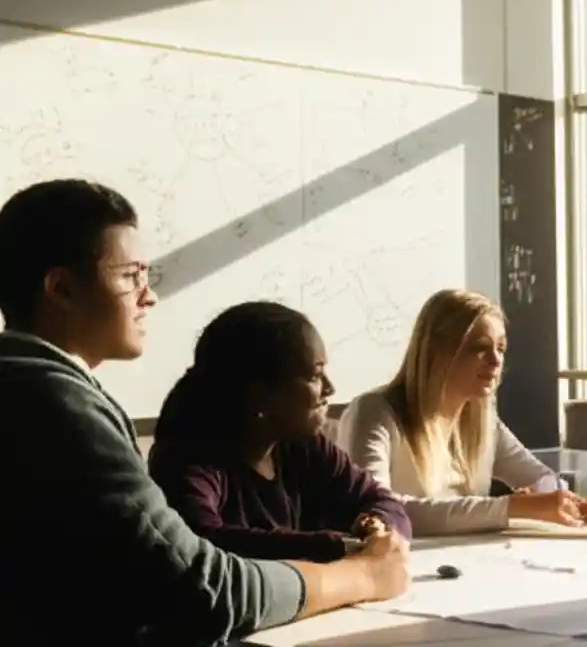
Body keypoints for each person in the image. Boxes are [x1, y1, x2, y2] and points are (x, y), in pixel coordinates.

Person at [0, 180, 408, 645]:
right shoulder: (54, 405)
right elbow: (202, 587)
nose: (149, 296)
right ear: (61, 289)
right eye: (130, 276)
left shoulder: (34, 387)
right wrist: (362, 575)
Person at [149, 301, 413, 563]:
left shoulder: (302, 445)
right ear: (260, 395)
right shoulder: (188, 460)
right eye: (314, 376)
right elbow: (201, 542)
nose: (329, 388)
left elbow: (382, 501)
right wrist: (337, 546)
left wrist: (377, 524)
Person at [338, 288, 587, 535]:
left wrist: (553, 497)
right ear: (437, 352)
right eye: (479, 348)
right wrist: (511, 508)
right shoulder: (373, 413)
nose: (496, 360)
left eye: (501, 348)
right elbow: (377, 509)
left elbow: (539, 475)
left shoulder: (481, 420)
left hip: (467, 556)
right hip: (402, 561)